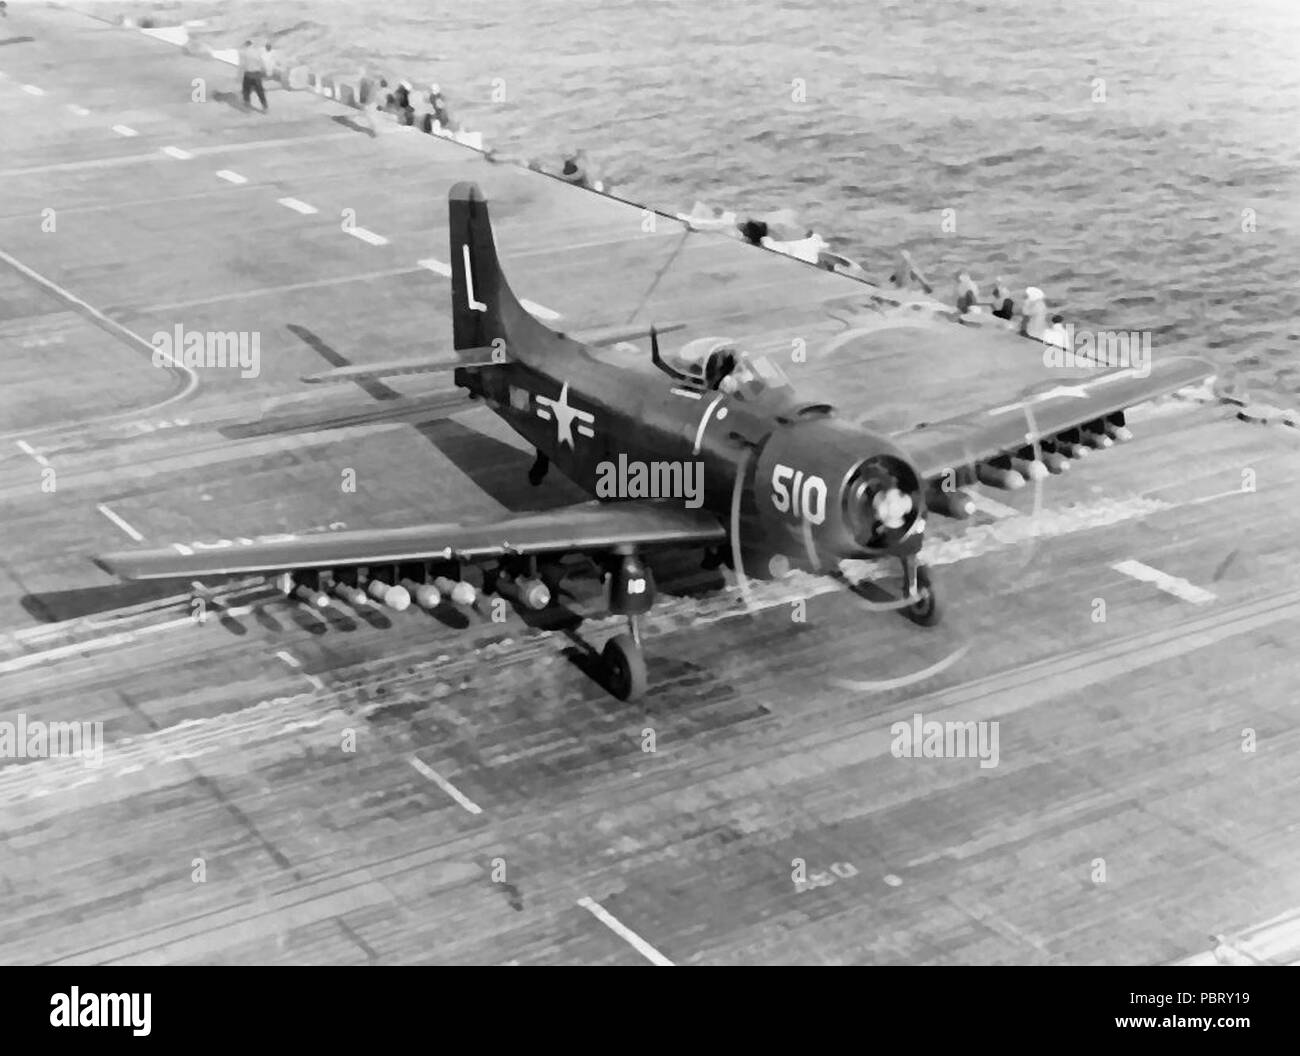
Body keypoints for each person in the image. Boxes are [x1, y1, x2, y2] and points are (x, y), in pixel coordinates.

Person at [238, 40, 268, 112]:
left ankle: (247, 106)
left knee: (246, 90)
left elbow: (242, 65)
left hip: (248, 74)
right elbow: (261, 62)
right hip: (257, 74)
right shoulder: (256, 52)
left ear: (246, 45)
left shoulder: (244, 53)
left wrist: (239, 75)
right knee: (260, 91)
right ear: (251, 45)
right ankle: (265, 107)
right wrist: (264, 70)